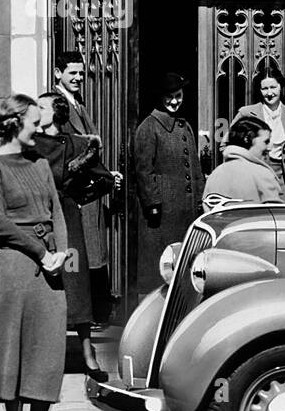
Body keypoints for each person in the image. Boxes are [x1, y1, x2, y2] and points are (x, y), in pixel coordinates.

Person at [0, 95, 70, 411]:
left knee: (46, 346)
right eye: (35, 121)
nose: (41, 128)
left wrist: (60, 252)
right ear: (15, 122)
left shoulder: (42, 164)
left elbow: (57, 211)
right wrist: (41, 252)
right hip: (15, 265)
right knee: (13, 344)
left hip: (49, 265)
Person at [32, 92, 114, 381]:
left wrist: (78, 197)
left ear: (56, 113)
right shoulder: (29, 144)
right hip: (39, 221)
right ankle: (42, 356)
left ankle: (89, 355)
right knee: (44, 286)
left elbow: (104, 179)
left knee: (76, 284)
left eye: (40, 106)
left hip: (68, 221)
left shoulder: (76, 144)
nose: (34, 109)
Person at [49, 50, 121, 323]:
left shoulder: (78, 103)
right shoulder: (56, 105)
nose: (79, 77)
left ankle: (90, 313)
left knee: (91, 251)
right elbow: (65, 152)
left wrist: (104, 174)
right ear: (58, 74)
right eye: (73, 73)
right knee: (79, 253)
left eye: (81, 73)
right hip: (76, 191)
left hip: (88, 190)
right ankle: (79, 314)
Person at [133, 74, 203, 298]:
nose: (175, 101)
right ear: (160, 98)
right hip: (163, 212)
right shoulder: (149, 127)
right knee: (162, 262)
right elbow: (144, 171)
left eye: (178, 96)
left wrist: (200, 199)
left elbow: (195, 168)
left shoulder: (184, 125)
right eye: (169, 97)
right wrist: (153, 203)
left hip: (186, 209)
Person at [234, 65, 285, 201]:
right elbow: (226, 145)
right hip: (255, 180)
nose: (269, 93)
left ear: (280, 87)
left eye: (273, 87)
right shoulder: (246, 113)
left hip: (284, 182)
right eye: (264, 88)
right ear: (259, 90)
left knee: (284, 220)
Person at [204, 116, 285, 204]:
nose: (269, 148)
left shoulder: (215, 175)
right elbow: (273, 214)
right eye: (266, 142)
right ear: (247, 139)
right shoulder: (262, 174)